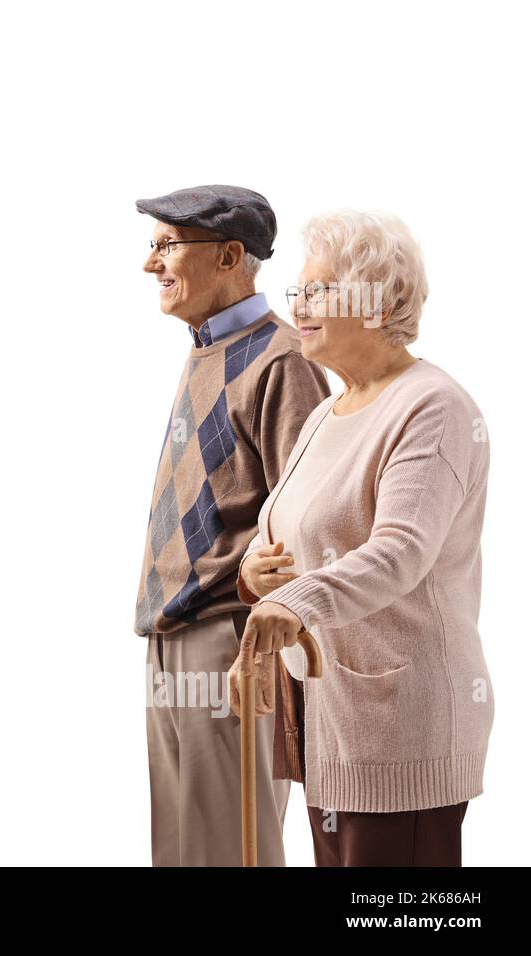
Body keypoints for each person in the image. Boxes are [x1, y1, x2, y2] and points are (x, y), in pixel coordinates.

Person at [231, 210, 493, 866]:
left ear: (376, 305)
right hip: (324, 717)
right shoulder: (328, 409)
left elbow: (402, 549)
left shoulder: (432, 406)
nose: (300, 304)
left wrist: (295, 602)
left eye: (318, 290)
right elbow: (289, 530)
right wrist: (257, 573)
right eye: (300, 290)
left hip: (397, 721)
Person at [134, 185, 330, 865]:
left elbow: (311, 523)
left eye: (166, 245)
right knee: (184, 851)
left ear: (229, 256)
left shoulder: (282, 359)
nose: (148, 263)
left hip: (231, 643)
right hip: (171, 637)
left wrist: (263, 636)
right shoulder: (209, 348)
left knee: (229, 852)